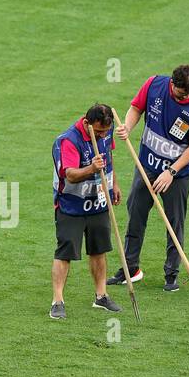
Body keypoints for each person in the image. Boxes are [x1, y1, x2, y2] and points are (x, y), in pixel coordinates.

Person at [108, 65, 189, 291]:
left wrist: (171, 172)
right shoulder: (154, 85)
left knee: (175, 223)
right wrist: (127, 126)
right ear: (172, 84)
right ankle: (131, 269)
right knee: (135, 215)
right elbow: (136, 108)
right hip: (146, 166)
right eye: (182, 93)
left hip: (176, 175)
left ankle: (171, 275)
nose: (186, 97)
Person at [51, 104, 122, 319]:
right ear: (87, 123)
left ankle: (101, 296)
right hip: (71, 206)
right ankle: (57, 301)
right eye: (99, 131)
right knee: (65, 252)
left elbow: (109, 160)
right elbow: (70, 175)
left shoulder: (106, 134)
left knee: (99, 250)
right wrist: (92, 168)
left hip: (99, 203)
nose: (102, 135)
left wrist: (114, 184)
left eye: (105, 131)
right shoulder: (68, 141)